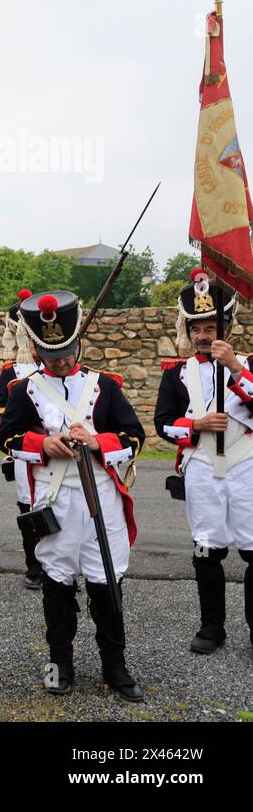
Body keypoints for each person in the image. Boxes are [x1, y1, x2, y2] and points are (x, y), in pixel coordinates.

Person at [0, 290, 146, 701]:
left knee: (106, 587)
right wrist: (43, 444)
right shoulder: (22, 389)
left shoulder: (106, 386)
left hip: (101, 500)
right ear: (35, 348)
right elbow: (6, 438)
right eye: (51, 354)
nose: (60, 360)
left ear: (77, 343)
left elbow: (135, 436)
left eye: (65, 351)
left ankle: (115, 666)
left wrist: (98, 442)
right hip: (55, 500)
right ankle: (58, 664)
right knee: (57, 588)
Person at [155, 268, 253, 657]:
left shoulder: (247, 365)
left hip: (247, 468)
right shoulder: (176, 374)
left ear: (226, 325)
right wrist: (195, 424)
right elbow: (163, 424)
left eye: (210, 325)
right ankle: (212, 626)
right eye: (196, 327)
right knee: (206, 551)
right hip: (200, 469)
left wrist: (234, 368)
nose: (203, 335)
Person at [0, 288, 43, 590]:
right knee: (28, 508)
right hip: (26, 450)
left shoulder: (60, 366)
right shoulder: (10, 371)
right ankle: (34, 565)